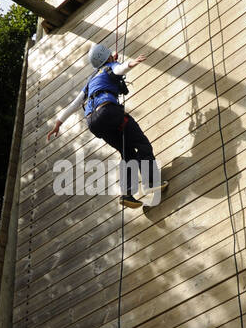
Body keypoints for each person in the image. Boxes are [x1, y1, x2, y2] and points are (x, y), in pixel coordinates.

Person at [46, 42, 167, 208]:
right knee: (141, 142)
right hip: (108, 112)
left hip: (93, 122)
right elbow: (119, 70)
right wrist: (129, 64)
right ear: (108, 57)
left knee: (127, 152)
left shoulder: (91, 81)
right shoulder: (111, 67)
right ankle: (152, 181)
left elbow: (74, 104)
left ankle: (127, 194)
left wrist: (58, 123)